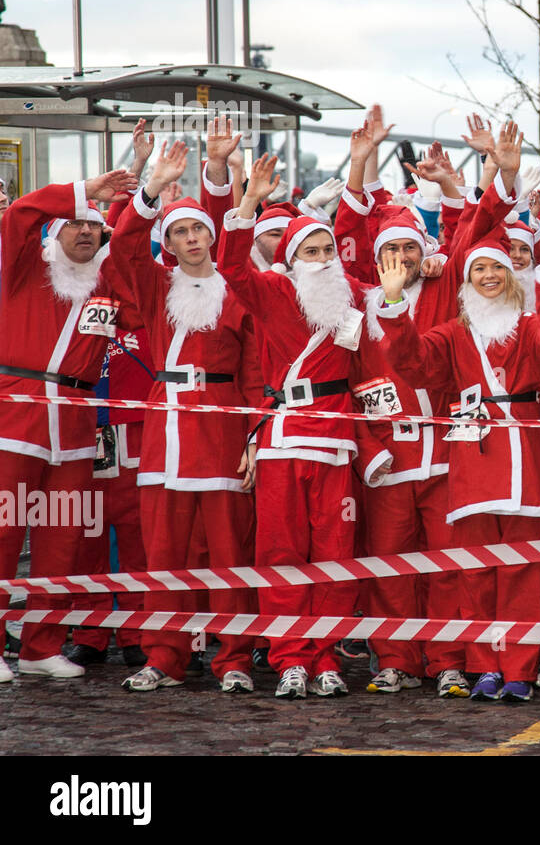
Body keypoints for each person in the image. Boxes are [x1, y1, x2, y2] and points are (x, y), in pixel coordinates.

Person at [376, 240, 540, 704]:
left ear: (511, 277)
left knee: (521, 573)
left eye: (497, 268)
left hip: (521, 461)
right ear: (465, 281)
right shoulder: (452, 332)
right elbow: (414, 365)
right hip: (471, 466)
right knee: (475, 573)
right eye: (478, 270)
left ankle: (518, 669)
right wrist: (394, 305)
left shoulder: (531, 325)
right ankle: (483, 665)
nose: (488, 276)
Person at [218, 153, 387, 699]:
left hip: (335, 442)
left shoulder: (353, 296)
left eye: (326, 249)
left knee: (335, 559)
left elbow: (395, 280)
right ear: (290, 260)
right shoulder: (273, 294)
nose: (320, 258)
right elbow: (233, 268)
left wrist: (421, 266)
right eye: (308, 252)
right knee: (280, 555)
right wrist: (248, 202)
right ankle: (290, 657)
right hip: (283, 441)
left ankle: (326, 658)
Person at [107, 141, 262, 693]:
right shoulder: (156, 284)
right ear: (169, 242)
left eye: (198, 230)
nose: (191, 239)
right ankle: (164, 656)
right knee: (164, 554)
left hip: (221, 426)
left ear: (211, 237)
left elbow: (254, 370)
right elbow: (123, 249)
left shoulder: (238, 289)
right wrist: (150, 190)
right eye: (180, 232)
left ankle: (235, 658)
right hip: (166, 430)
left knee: (228, 553)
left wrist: (253, 437)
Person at [0, 167, 137, 680]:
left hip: (75, 429)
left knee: (62, 542)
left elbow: (142, 303)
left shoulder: (106, 283)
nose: (85, 231)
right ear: (52, 233)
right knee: (4, 536)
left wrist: (138, 204)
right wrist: (85, 193)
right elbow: (18, 214)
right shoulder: (20, 268)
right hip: (16, 416)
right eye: (73, 223)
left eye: (94, 226)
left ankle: (39, 647)